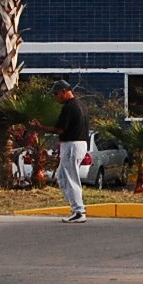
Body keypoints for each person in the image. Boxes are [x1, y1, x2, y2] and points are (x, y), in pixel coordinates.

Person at [51, 80, 90, 223]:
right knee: (61, 176)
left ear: (63, 91)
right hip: (78, 144)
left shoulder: (69, 107)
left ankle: (79, 211)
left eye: (56, 93)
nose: (56, 97)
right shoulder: (81, 105)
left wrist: (40, 127)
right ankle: (75, 208)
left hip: (72, 144)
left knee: (70, 178)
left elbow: (60, 129)